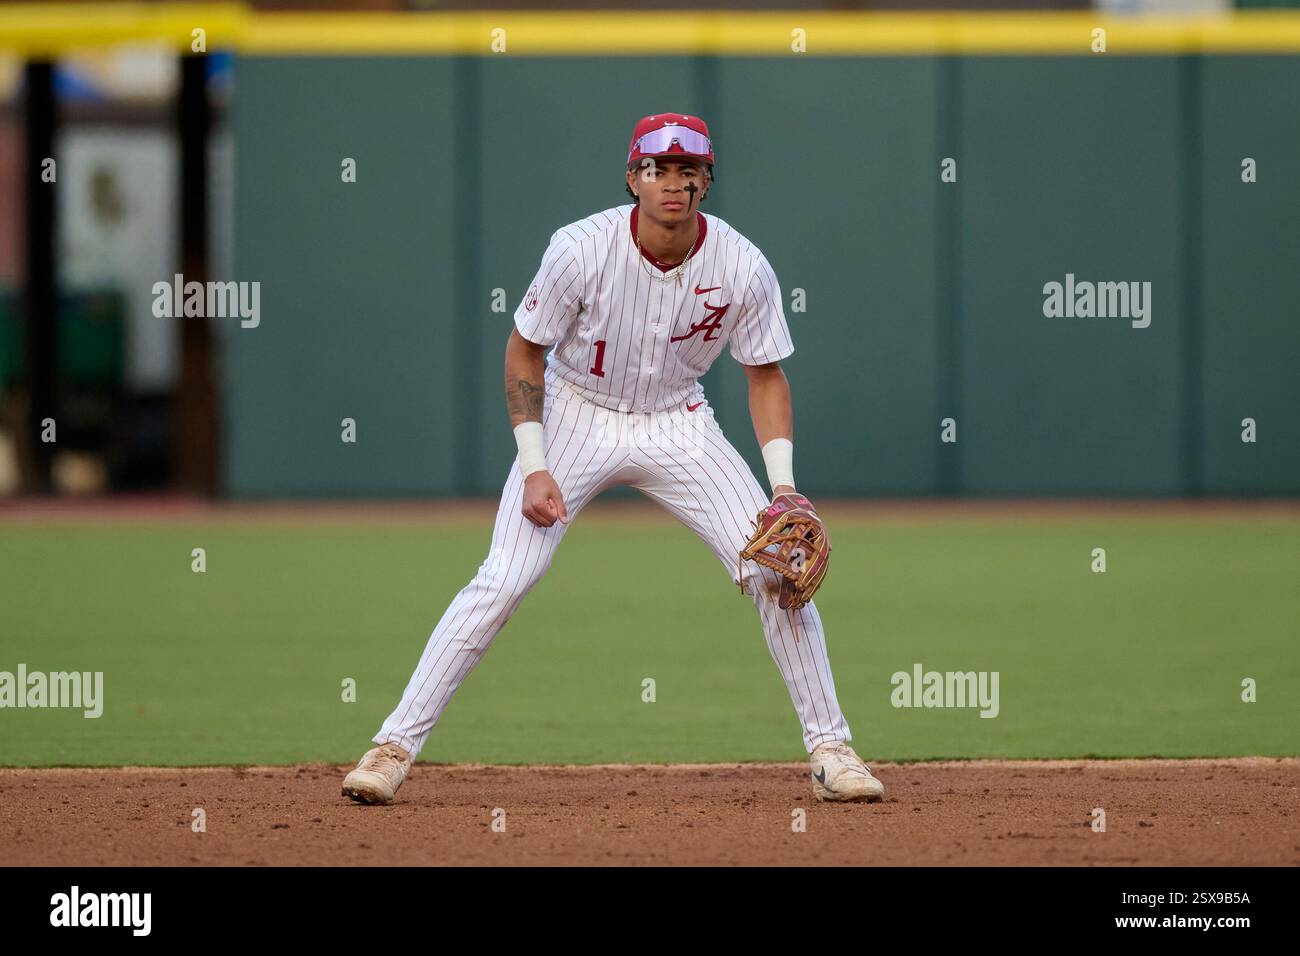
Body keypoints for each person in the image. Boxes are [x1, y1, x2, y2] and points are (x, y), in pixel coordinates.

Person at [342, 113, 884, 805]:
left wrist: (784, 489)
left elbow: (765, 374)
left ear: (707, 181)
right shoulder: (578, 249)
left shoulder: (744, 266)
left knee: (776, 567)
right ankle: (392, 748)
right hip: (577, 412)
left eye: (689, 170)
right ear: (633, 177)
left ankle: (832, 750)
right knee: (504, 578)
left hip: (678, 420)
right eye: (658, 169)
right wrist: (535, 463)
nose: (674, 183)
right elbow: (525, 350)